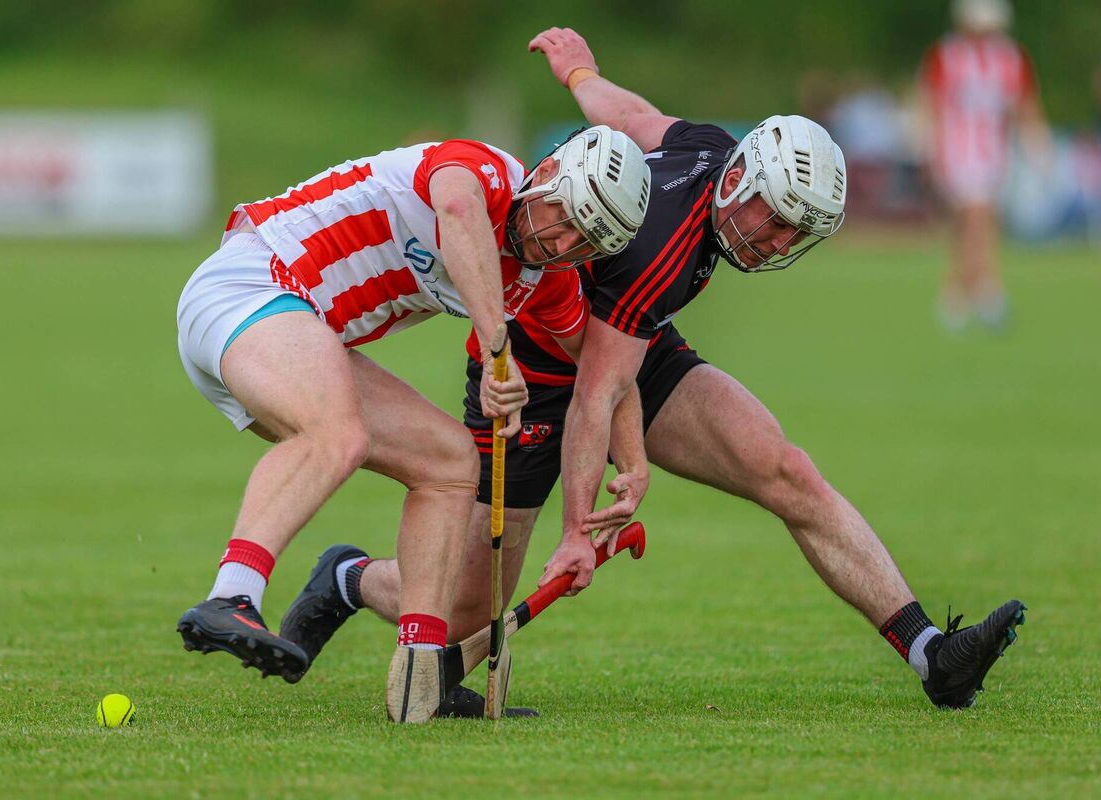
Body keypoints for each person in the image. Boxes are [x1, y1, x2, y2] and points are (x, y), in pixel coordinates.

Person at [280, 27, 1027, 716]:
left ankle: (933, 655)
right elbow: (594, 396)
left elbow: (634, 117)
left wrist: (579, 73)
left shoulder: (711, 150)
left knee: (785, 470)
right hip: (533, 373)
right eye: (774, 219)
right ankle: (349, 578)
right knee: (467, 608)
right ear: (743, 182)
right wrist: (579, 531)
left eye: (795, 233)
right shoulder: (658, 251)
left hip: (632, 345)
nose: (776, 243)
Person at [174, 124, 650, 723]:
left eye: (586, 243)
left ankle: (422, 676)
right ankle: (232, 596)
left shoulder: (546, 281)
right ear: (549, 174)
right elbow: (457, 212)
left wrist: (633, 463)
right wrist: (498, 346)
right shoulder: (480, 172)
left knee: (450, 462)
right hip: (251, 285)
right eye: (567, 217)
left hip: (303, 334)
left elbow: (607, 371)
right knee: (337, 434)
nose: (563, 244)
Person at [917, 0, 1050, 331]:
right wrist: (928, 147)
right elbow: (930, 103)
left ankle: (959, 292)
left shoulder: (1011, 57)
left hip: (994, 151)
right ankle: (986, 288)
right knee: (977, 217)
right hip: (956, 149)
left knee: (977, 222)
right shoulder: (947, 55)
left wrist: (1038, 143)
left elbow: (1025, 105)